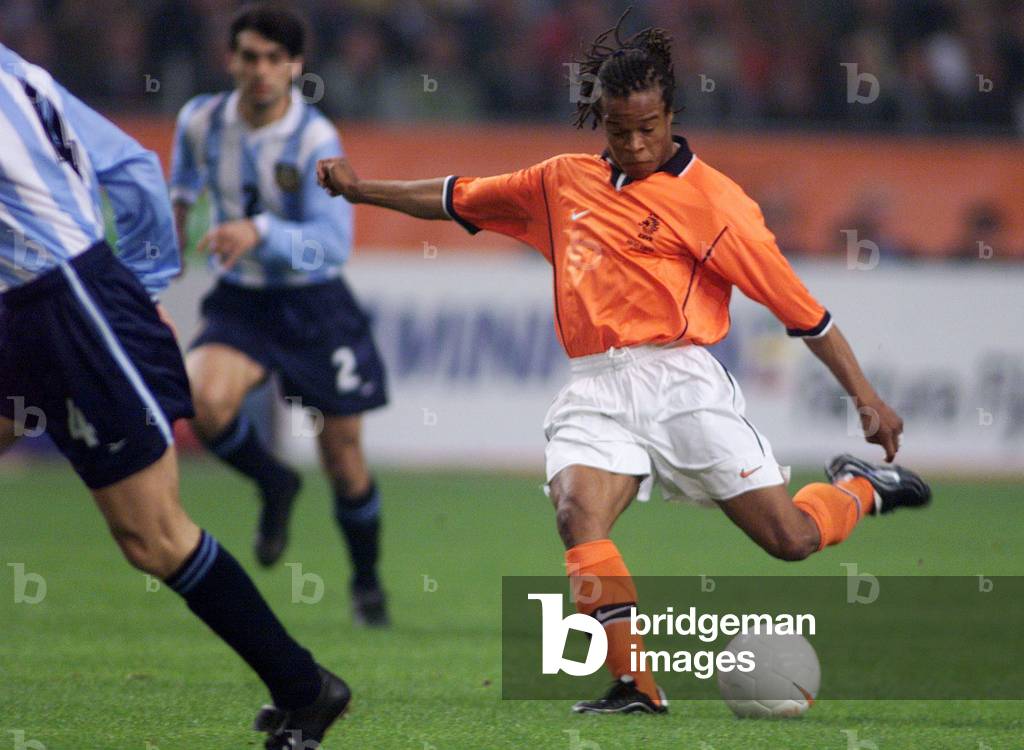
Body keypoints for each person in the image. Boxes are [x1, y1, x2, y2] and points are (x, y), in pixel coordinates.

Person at [316, 16, 931, 714]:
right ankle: (636, 685)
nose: (634, 144)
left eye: (647, 127)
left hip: (682, 382)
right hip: (595, 387)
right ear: (599, 121)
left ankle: (858, 488)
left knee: (790, 539)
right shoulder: (560, 184)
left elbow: (804, 311)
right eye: (618, 130)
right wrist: (363, 190)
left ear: (671, 114)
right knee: (577, 514)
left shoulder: (716, 203)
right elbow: (458, 196)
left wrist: (866, 398)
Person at [0, 42, 347, 748]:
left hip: (62, 303)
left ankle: (305, 689)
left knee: (151, 536)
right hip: (42, 300)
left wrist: (126, 295)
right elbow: (128, 164)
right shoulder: (20, 71)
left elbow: (131, 169)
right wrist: (138, 283)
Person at [170, 4, 390, 626]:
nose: (260, 71)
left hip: (313, 304)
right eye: (249, 57)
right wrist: (174, 229)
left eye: (273, 59)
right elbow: (183, 186)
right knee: (204, 402)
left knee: (343, 458)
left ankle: (367, 585)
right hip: (242, 300)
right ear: (230, 60)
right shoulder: (200, 121)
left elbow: (333, 242)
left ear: (295, 66)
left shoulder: (315, 139)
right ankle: (273, 482)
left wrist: (259, 230)